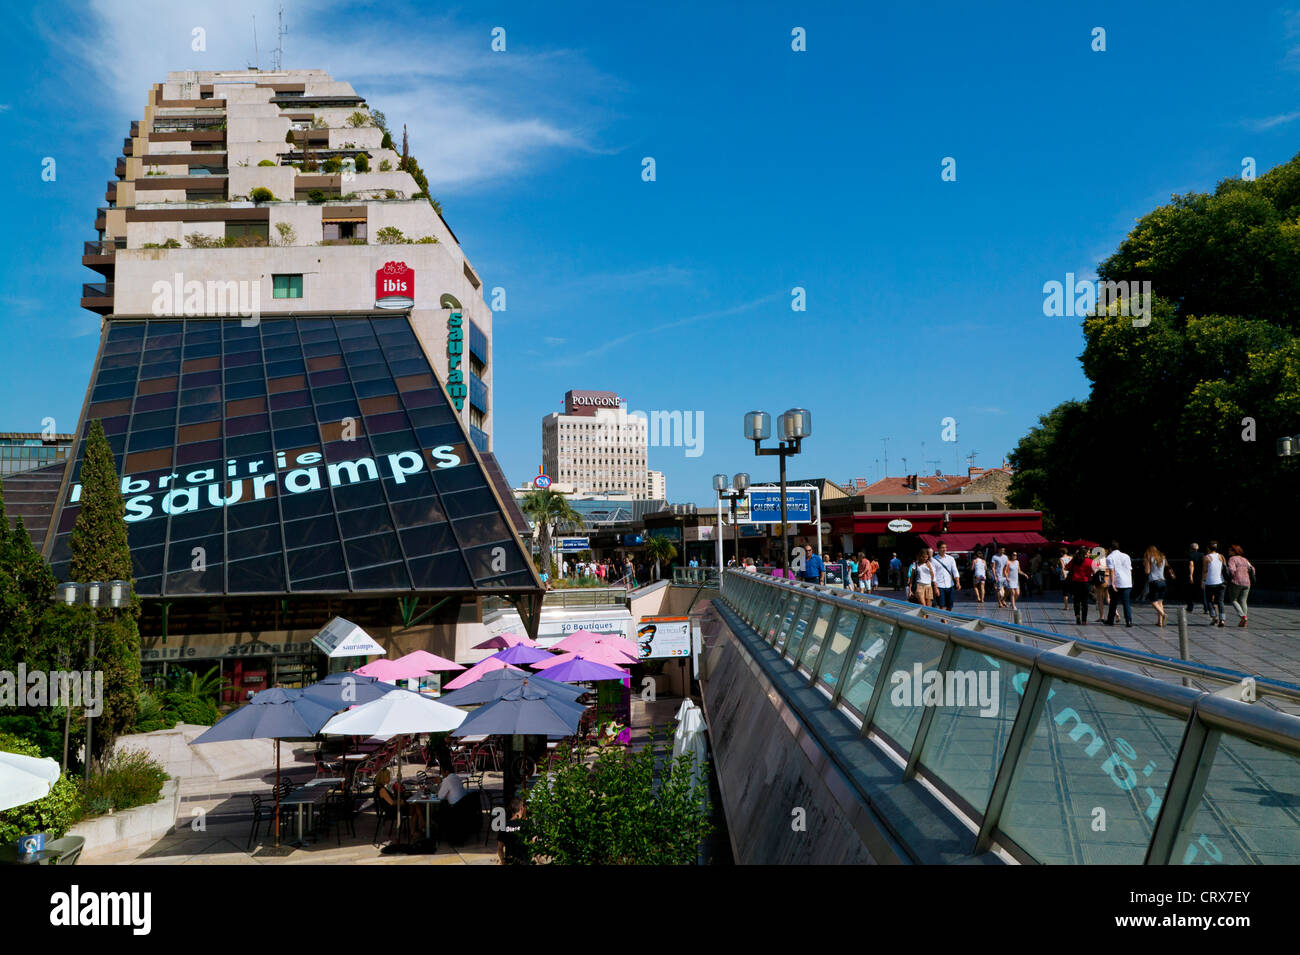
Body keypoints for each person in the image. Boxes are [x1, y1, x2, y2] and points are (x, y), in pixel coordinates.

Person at [1105, 541, 1134, 627]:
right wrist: (1130, 580)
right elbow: (1130, 569)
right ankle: (1128, 621)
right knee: (1126, 603)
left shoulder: (1110, 557)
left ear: (1110, 548)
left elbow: (1112, 571)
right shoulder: (1126, 556)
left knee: (1113, 602)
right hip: (1127, 582)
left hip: (1117, 582)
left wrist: (1113, 583)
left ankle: (1110, 620)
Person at [1227, 544, 1255, 628]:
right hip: (1247, 582)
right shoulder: (1244, 559)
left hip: (1237, 581)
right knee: (1243, 601)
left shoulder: (1232, 559)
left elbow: (1232, 570)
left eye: (1230, 550)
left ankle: (1243, 616)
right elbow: (1252, 568)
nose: (1228, 552)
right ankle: (1244, 621)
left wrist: (1230, 576)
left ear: (1233, 551)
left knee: (1233, 600)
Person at [1144, 546, 1170, 628]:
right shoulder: (1162, 557)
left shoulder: (1149, 557)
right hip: (1163, 581)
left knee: (1153, 601)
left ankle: (1163, 614)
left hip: (1154, 581)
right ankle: (1160, 622)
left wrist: (1145, 565)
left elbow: (1147, 571)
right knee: (1160, 602)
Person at [1066, 546, 1093, 624]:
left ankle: (1077, 616)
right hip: (1085, 582)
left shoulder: (1074, 560)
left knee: (1076, 600)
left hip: (1075, 582)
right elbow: (1096, 569)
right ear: (1085, 553)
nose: (1089, 553)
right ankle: (1084, 620)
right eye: (1088, 552)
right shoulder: (1090, 561)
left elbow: (1066, 567)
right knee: (1085, 601)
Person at [1203, 541, 1227, 627]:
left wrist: (1203, 581)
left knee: (1209, 600)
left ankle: (1214, 617)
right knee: (1220, 601)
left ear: (1208, 548)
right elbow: (1224, 569)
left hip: (1210, 582)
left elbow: (1205, 571)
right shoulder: (1221, 556)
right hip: (1221, 581)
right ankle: (1222, 620)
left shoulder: (1207, 557)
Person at [497, 797, 527, 865]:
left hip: (510, 861)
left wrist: (503, 862)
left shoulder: (503, 826)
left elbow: (500, 849)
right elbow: (533, 844)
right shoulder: (526, 825)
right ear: (522, 808)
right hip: (524, 862)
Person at [931, 540, 959, 611]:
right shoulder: (933, 560)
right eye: (942, 548)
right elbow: (933, 574)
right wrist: (935, 587)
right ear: (938, 549)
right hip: (940, 585)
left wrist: (958, 582)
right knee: (942, 606)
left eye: (945, 547)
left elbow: (955, 571)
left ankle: (946, 618)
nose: (944, 549)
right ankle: (944, 621)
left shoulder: (951, 559)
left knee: (950, 606)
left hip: (950, 585)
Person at [1186, 542, 1208, 614]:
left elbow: (1191, 565)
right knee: (1203, 593)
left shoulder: (1190, 555)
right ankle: (1206, 607)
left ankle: (1190, 607)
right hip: (1201, 575)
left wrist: (1191, 575)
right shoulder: (1202, 555)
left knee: (1191, 592)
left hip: (1194, 575)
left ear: (1190, 548)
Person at [1090, 548, 1109, 623]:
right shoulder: (1108, 559)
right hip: (1108, 580)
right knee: (1108, 599)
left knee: (1100, 599)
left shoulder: (1097, 559)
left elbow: (1094, 570)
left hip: (1100, 580)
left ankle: (1102, 616)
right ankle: (1117, 614)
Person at [1059, 547, 1072, 612]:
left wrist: (1065, 576)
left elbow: (1063, 568)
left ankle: (1066, 607)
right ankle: (1076, 604)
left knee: (1065, 592)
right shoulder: (1071, 558)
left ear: (1061, 552)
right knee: (1073, 592)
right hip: (1072, 575)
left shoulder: (1061, 559)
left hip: (1065, 576)